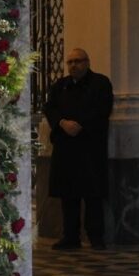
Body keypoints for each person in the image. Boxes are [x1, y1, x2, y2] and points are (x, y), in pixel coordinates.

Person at [43, 48, 114, 250]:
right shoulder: (60, 85)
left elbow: (102, 109)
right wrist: (62, 123)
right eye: (70, 62)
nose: (74, 65)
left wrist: (79, 124)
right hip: (66, 147)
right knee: (68, 194)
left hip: (90, 146)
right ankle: (70, 236)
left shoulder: (100, 83)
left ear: (87, 62)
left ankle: (95, 237)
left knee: (93, 194)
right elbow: (50, 108)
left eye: (78, 61)